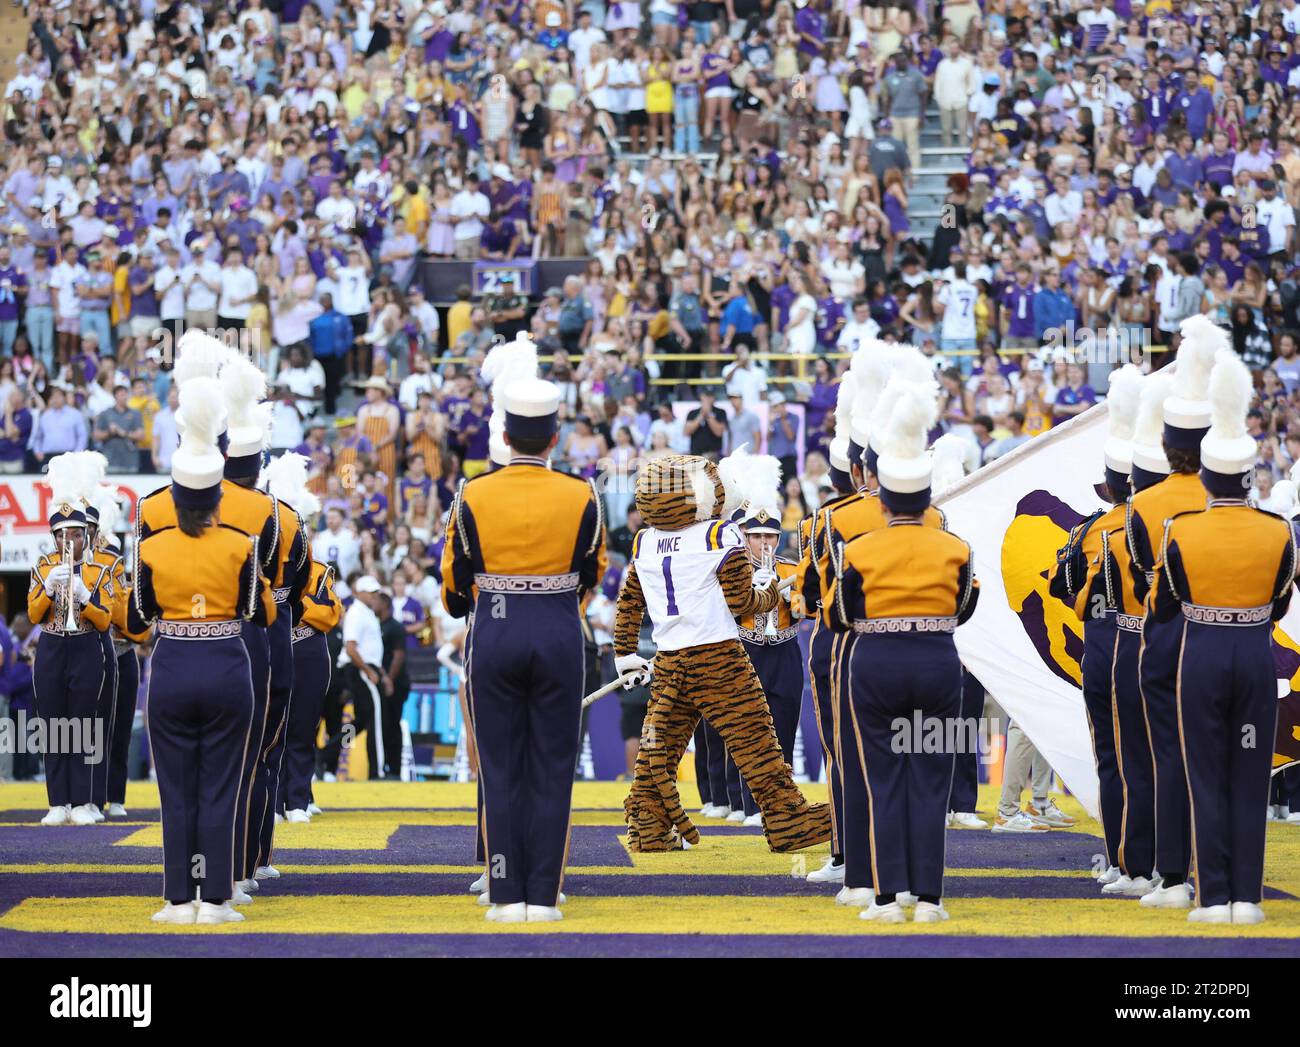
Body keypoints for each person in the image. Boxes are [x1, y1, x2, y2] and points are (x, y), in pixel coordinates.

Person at [441, 336, 607, 922]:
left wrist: (489, 599)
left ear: (505, 435)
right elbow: (592, 571)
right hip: (561, 629)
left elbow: (454, 583)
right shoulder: (581, 493)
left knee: (501, 762)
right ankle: (544, 890)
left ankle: (505, 889)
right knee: (555, 764)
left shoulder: (473, 493)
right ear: (555, 437)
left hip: (497, 629)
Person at [617, 454, 830, 855]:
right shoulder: (718, 535)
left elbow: (630, 602)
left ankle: (647, 825)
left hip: (669, 658)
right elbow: (741, 603)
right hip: (717, 657)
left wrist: (625, 655)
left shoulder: (643, 540)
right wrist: (769, 594)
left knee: (658, 751)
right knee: (757, 744)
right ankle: (788, 820)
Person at [1153, 351, 1296, 924]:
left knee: (1205, 772)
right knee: (1249, 768)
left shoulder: (1181, 530)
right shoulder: (1277, 530)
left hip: (1203, 654)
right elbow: (1281, 599)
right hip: (1255, 654)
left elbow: (1167, 603)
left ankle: (1212, 896)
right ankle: (1246, 896)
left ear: (1208, 477)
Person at [828, 378, 979, 923]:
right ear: (927, 496)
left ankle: (890, 896)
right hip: (939, 662)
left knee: (884, 777)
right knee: (933, 777)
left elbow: (839, 613)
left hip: (876, 664)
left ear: (885, 496)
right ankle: (930, 897)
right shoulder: (955, 546)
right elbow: (966, 607)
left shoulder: (861, 547)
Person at [128, 376, 274, 925]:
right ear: (216, 497)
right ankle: (214, 898)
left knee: (175, 788)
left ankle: (175, 898)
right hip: (227, 665)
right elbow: (258, 612)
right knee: (221, 784)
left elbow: (139, 616)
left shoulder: (150, 545)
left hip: (169, 668)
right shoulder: (241, 545)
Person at [1124, 317, 1220, 910]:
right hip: (1223, 636)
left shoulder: (1145, 503)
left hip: (1165, 637)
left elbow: (1142, 575)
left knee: (1166, 756)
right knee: (1217, 760)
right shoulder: (1230, 499)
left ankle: (1173, 876)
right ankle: (1219, 878)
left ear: (1166, 447)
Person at [1048, 366, 1144, 874]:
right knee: (1162, 755)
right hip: (1170, 640)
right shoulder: (1170, 522)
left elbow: (1059, 587)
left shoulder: (1092, 529)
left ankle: (1123, 860)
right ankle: (1168, 863)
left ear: (1108, 486)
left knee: (1112, 756)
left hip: (1109, 643)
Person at [27, 453, 115, 827]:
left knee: (84, 721)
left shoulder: (98, 569)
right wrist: (49, 590)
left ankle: (82, 801)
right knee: (51, 722)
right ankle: (56, 801)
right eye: (62, 534)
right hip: (51, 644)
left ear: (86, 536)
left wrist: (83, 594)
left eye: (75, 534)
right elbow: (33, 614)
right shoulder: (43, 566)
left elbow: (106, 618)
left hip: (84, 645)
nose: (68, 541)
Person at [719, 449, 803, 827]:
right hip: (746, 650)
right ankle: (750, 806)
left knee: (783, 729)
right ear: (745, 538)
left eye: (771, 535)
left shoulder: (791, 568)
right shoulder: (732, 569)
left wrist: (791, 596)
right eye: (757, 537)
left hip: (784, 651)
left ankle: (779, 805)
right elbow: (722, 610)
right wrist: (748, 593)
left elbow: (813, 608)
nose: (765, 543)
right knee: (748, 730)